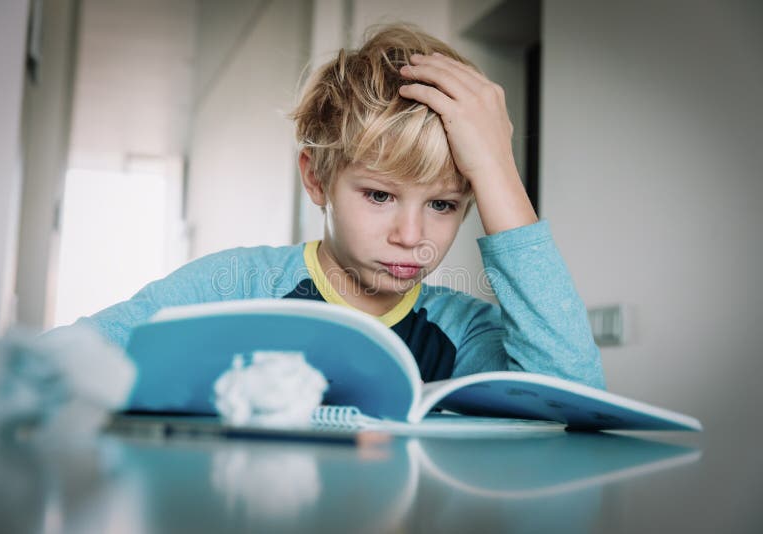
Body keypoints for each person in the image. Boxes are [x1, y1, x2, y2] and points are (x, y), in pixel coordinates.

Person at [61, 24, 604, 389]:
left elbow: (572, 395)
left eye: (442, 204)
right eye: (379, 195)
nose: (412, 234)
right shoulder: (234, 288)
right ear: (316, 179)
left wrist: (497, 171)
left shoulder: (465, 333)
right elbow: (66, 359)